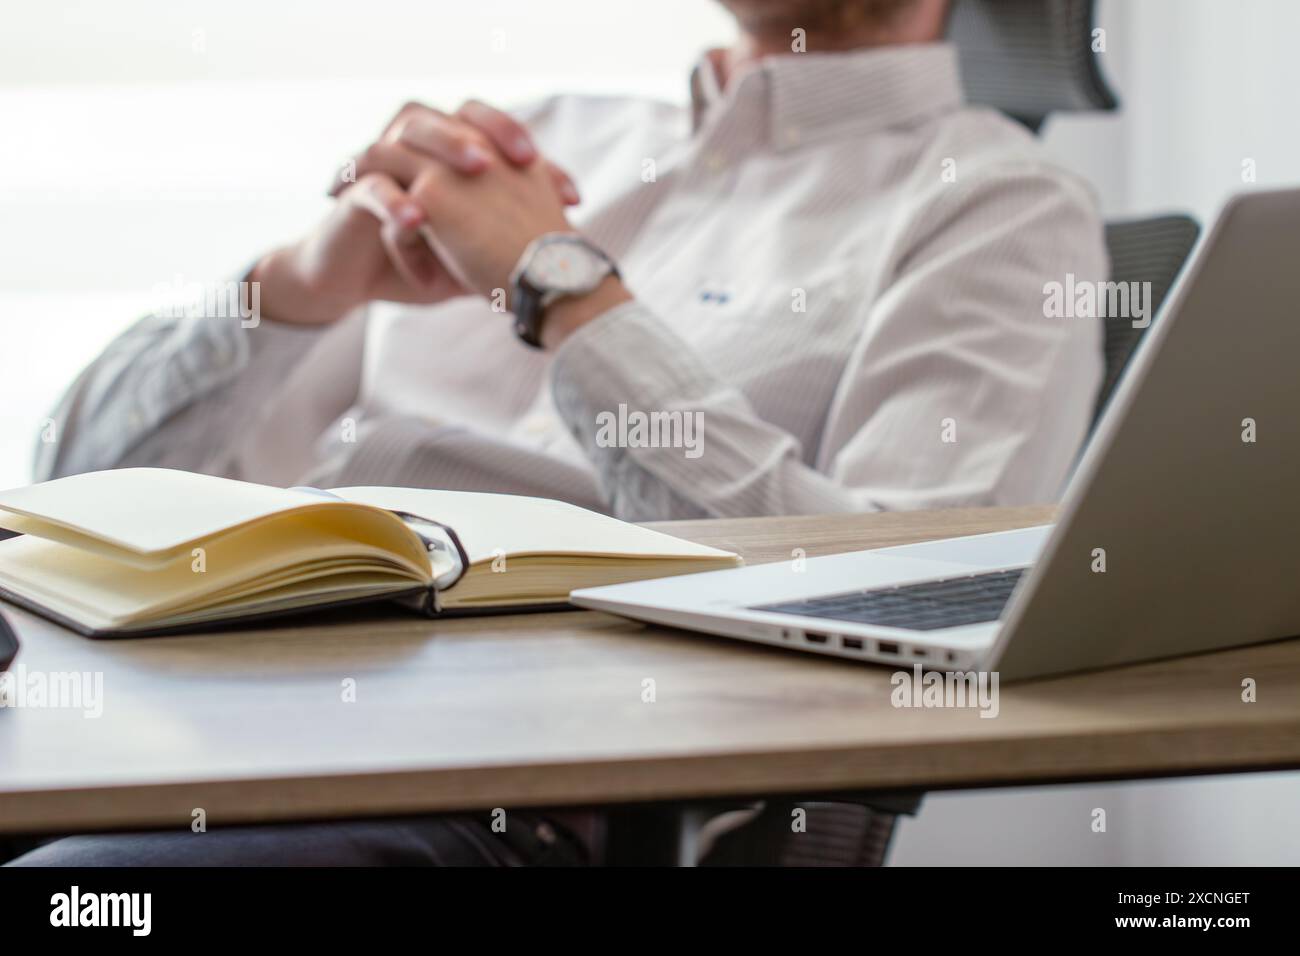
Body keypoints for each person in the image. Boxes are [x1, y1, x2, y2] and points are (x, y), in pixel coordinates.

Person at [12, 0, 1105, 866]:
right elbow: (69, 480)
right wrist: (298, 284)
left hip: (496, 798)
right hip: (159, 721)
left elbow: (900, 613)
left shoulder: (1005, 205)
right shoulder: (537, 144)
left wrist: (561, 288)